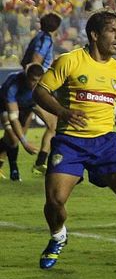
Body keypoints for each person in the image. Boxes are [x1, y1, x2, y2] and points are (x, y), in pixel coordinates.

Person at [33, 10, 116, 269]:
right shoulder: (69, 61)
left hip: (107, 142)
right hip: (70, 141)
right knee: (55, 201)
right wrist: (63, 112)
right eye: (112, 31)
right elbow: (40, 92)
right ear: (94, 35)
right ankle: (58, 236)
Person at [21, 12, 62, 175]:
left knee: (20, 130)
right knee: (53, 125)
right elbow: (36, 61)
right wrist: (37, 86)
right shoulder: (45, 40)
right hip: (35, 89)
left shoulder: (39, 36)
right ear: (56, 27)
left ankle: (39, 163)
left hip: (29, 87)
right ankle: (40, 163)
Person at [0, 64, 44, 181]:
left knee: (12, 139)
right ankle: (14, 170)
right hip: (5, 106)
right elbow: (13, 117)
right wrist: (25, 143)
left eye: (38, 81)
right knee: (14, 138)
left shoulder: (40, 86)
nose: (34, 84)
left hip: (26, 107)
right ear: (27, 76)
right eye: (32, 80)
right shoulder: (13, 85)